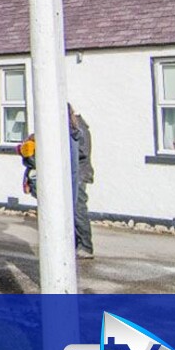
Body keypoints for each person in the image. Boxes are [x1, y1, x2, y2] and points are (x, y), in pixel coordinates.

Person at [70, 104, 95, 259]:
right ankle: (76, 243)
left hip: (79, 174)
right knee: (73, 210)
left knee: (79, 209)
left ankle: (86, 246)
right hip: (75, 174)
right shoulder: (74, 127)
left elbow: (82, 152)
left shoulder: (78, 128)